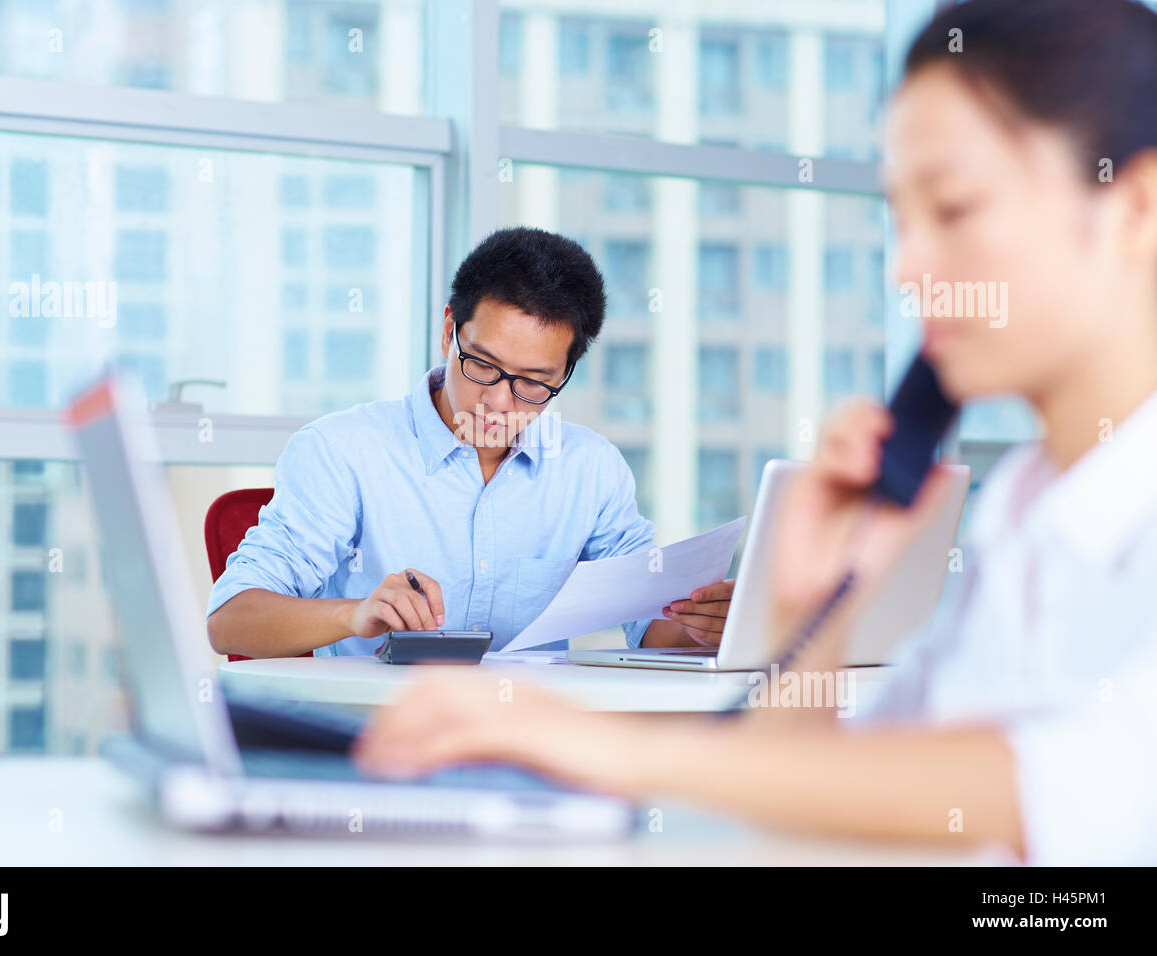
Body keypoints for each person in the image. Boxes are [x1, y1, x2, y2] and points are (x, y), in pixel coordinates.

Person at [354, 0, 1157, 865]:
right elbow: (831, 794)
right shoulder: (1029, 513)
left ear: (1136, 205)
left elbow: (1063, 788)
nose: (907, 267)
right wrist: (803, 612)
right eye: (901, 218)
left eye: (955, 209)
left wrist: (603, 746)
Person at [207, 227, 735, 658]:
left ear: (566, 372)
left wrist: (705, 623)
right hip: (375, 749)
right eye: (482, 365)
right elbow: (230, 621)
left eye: (534, 382)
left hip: (527, 753)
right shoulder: (342, 451)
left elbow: (648, 623)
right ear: (448, 332)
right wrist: (353, 613)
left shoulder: (591, 470)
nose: (501, 403)